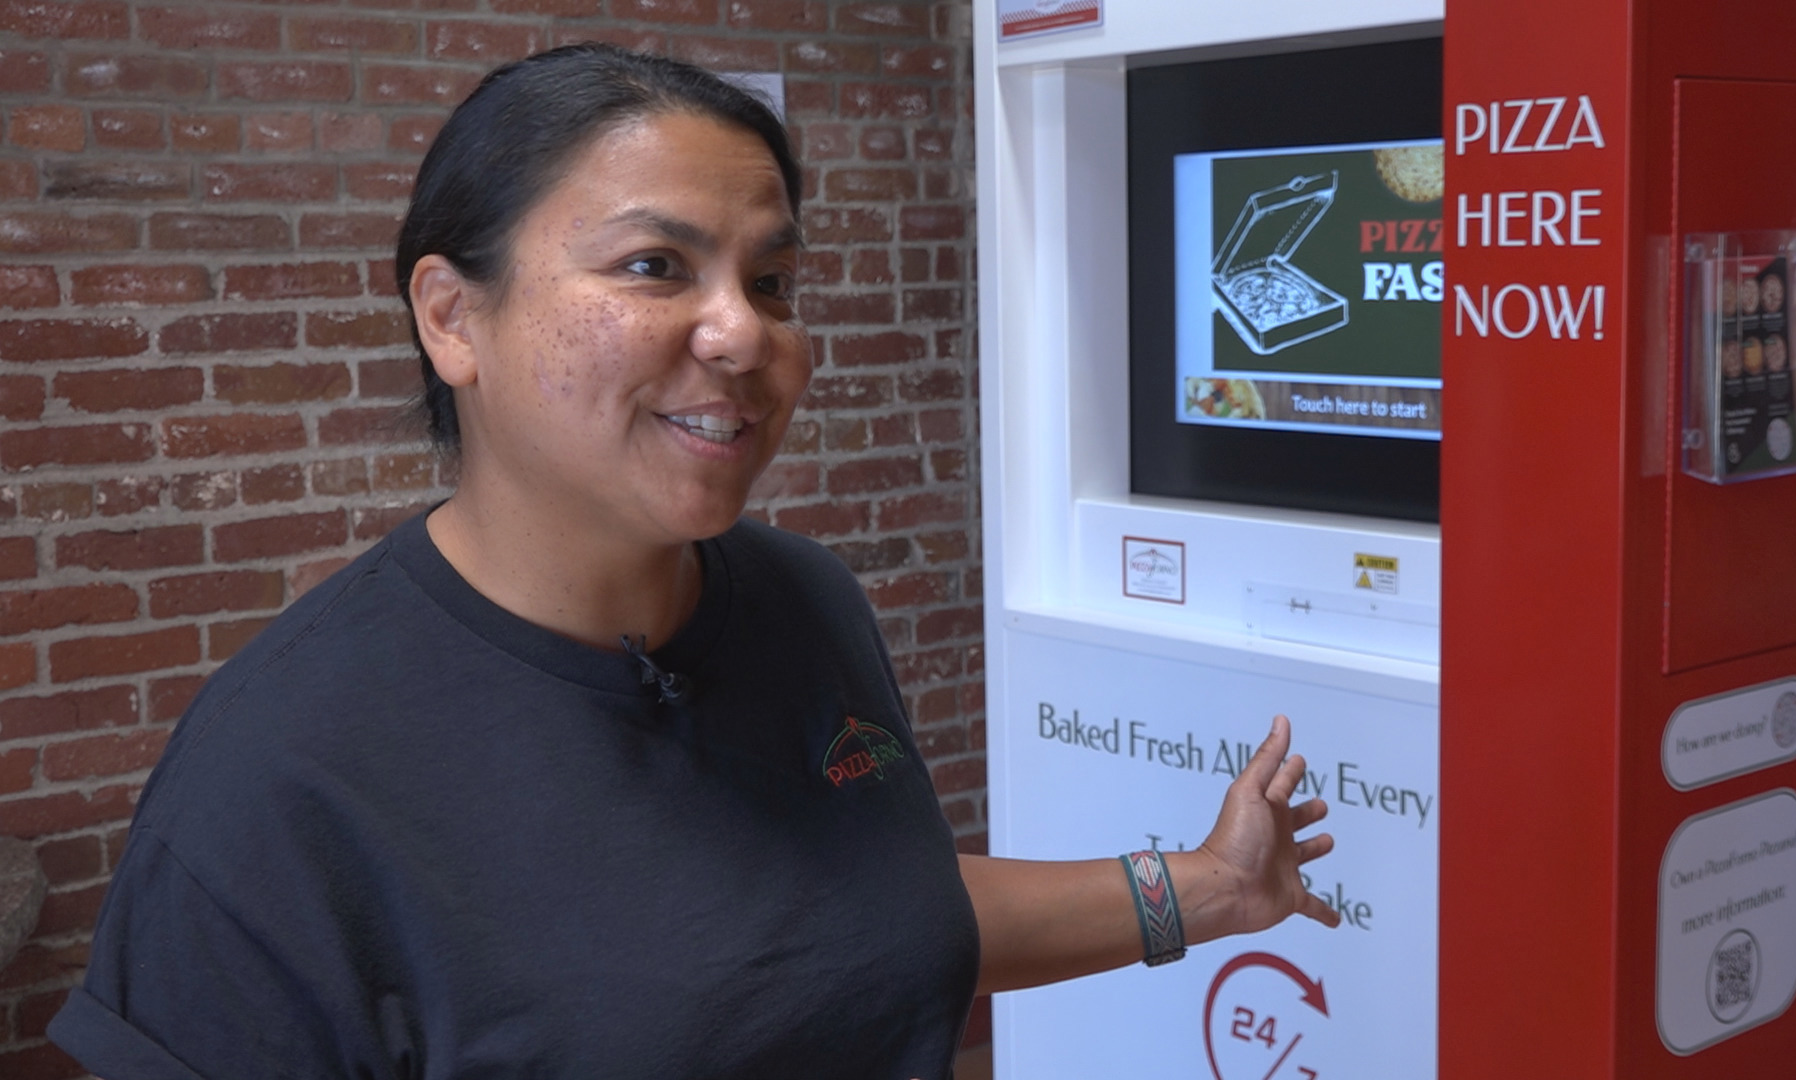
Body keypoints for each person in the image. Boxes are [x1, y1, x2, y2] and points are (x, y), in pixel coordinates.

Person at [49, 46, 1336, 1080]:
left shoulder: (800, 600)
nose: (741, 333)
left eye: (772, 282)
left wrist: (1211, 890)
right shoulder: (283, 780)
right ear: (453, 318)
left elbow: (852, 919)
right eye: (655, 266)